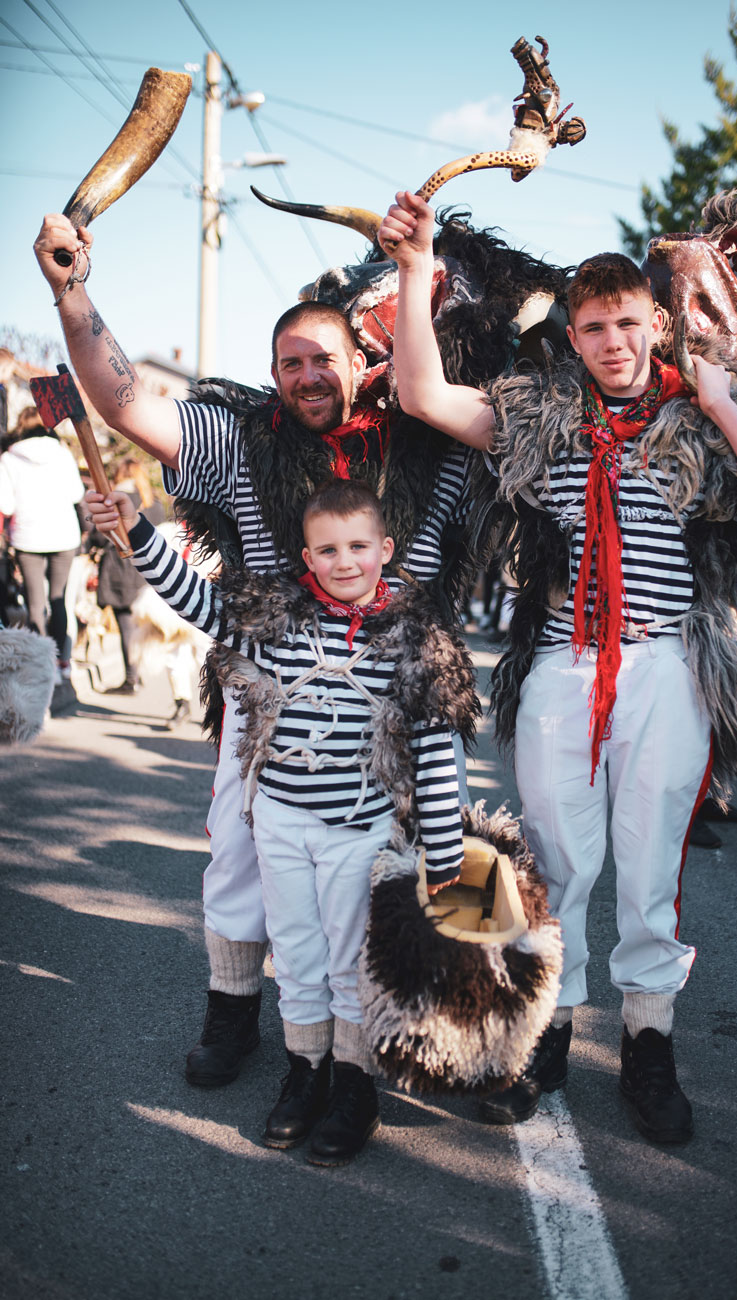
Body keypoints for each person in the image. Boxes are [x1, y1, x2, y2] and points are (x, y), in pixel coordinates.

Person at [379, 190, 737, 1143]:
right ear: (573, 337)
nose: (613, 340)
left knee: (653, 863)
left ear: (656, 323)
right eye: (594, 326)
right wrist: (417, 268)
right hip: (563, 663)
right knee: (561, 859)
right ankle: (550, 1026)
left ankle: (649, 1043)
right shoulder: (541, 417)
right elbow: (422, 395)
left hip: (665, 666)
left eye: (628, 322)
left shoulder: (704, 417)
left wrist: (718, 403)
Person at [34, 213, 472, 1088]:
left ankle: (446, 1032)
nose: (309, 377)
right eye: (291, 364)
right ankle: (236, 1015)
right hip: (270, 677)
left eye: (324, 359)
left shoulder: (421, 434)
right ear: (274, 376)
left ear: (362, 364)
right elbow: (126, 405)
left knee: (412, 857)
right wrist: (72, 292)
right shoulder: (242, 437)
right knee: (239, 857)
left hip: (399, 674)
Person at [88, 476, 476, 1165]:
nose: (344, 561)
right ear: (307, 557)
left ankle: (355, 1089)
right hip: (281, 824)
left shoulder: (415, 640)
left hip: (362, 831)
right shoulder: (279, 623)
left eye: (358, 546)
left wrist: (443, 857)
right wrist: (138, 531)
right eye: (327, 550)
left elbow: (436, 752)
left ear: (385, 549)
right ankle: (306, 1074)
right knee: (295, 955)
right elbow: (195, 600)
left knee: (352, 962)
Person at [0, 406, 85, 677]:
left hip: (28, 536)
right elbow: (76, 493)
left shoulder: (9, 459)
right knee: (58, 598)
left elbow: (6, 504)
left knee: (35, 603)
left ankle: (42, 664)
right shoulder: (62, 454)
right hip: (64, 534)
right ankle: (62, 664)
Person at [88, 458, 165, 695]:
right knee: (142, 626)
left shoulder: (114, 500)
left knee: (125, 625)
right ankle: (139, 674)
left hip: (120, 569)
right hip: (148, 569)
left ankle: (132, 678)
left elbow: (99, 538)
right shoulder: (154, 503)